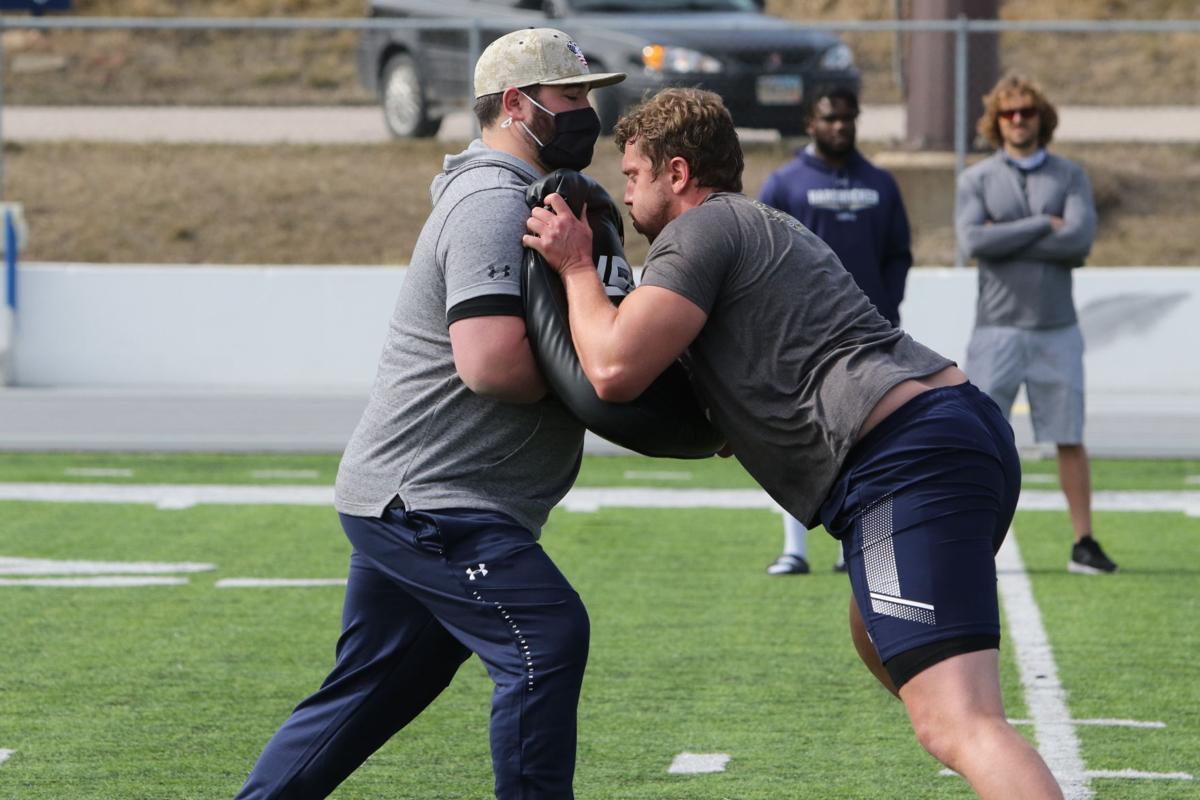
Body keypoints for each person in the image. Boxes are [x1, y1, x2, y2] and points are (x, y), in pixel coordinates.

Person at [524, 87, 1064, 799]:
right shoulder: (760, 228)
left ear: (677, 174)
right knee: (875, 635)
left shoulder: (701, 231)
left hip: (901, 462)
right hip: (953, 428)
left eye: (633, 176)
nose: (625, 196)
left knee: (959, 723)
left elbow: (616, 369)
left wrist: (572, 269)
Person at [233, 28, 624, 800]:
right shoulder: (490, 201)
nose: (587, 111)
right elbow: (490, 365)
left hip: (421, 495)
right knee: (545, 640)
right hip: (430, 498)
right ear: (517, 105)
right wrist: (607, 380)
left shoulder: (559, 203)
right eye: (570, 95)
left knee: (370, 694)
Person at [957, 73, 1117, 575]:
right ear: (996, 121)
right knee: (980, 436)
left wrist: (1003, 234)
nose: (1018, 119)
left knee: (1068, 435)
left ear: (1041, 117)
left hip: (1056, 328)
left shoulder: (1070, 175)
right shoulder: (975, 179)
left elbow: (1079, 241)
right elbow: (972, 244)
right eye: (1009, 112)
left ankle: (1084, 542)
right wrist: (1042, 225)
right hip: (995, 328)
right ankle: (969, 539)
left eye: (1027, 111)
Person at [759, 87, 913, 576]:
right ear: (810, 122)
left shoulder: (882, 183)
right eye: (830, 118)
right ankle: (794, 549)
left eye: (849, 118)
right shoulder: (784, 184)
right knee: (795, 437)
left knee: (870, 439)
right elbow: (763, 256)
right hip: (801, 335)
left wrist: (884, 309)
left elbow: (898, 254)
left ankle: (861, 547)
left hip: (869, 335)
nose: (841, 126)